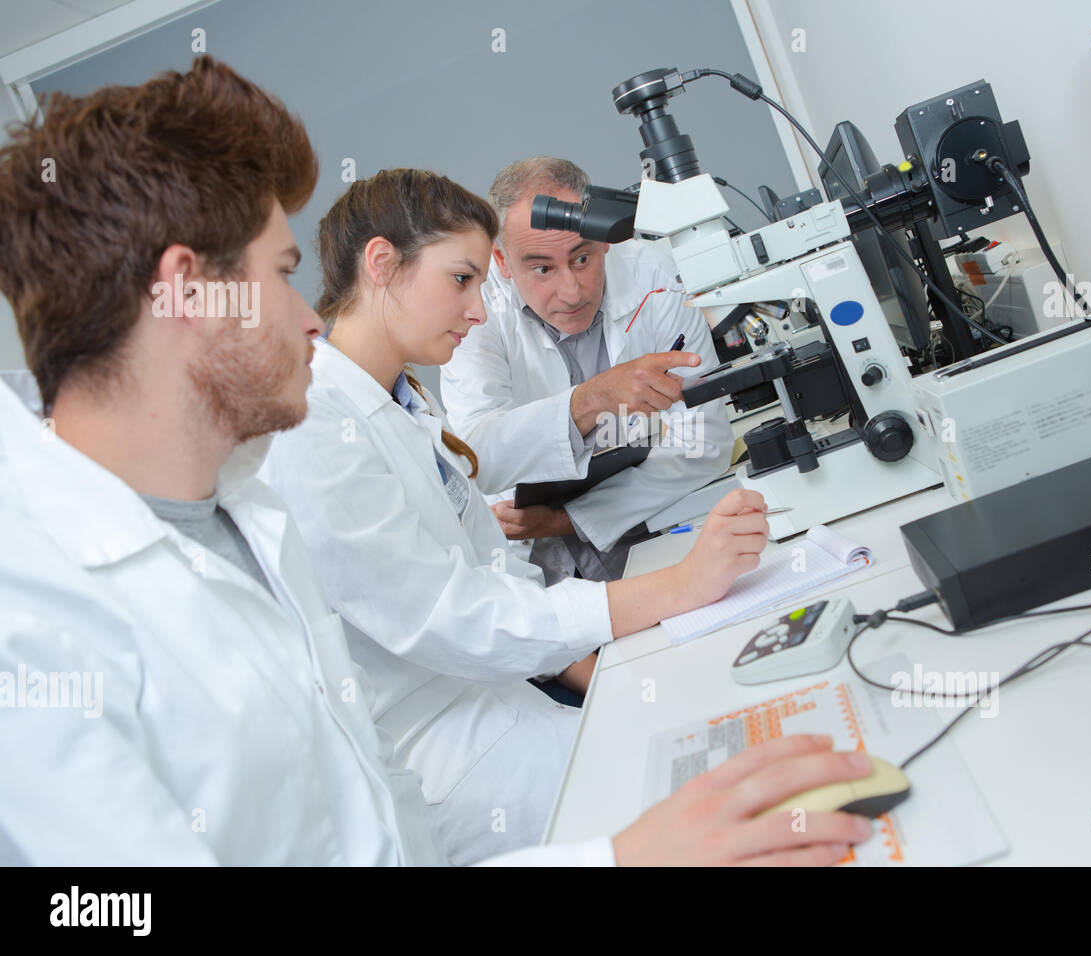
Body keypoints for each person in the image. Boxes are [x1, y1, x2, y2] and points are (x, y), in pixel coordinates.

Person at [0, 56, 873, 866]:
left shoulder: (243, 510)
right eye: (281, 271)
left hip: (484, 742)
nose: (311, 320)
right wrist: (618, 857)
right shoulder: (35, 631)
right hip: (476, 747)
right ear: (189, 290)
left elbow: (375, 793)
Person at [261, 168, 784, 863]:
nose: (480, 310)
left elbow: (495, 577)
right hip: (449, 756)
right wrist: (683, 585)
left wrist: (607, 673)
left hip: (508, 700)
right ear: (382, 264)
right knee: (724, 790)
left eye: (480, 285)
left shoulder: (402, 406)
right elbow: (457, 618)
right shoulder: (318, 426)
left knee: (721, 737)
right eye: (461, 280)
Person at [440, 156, 733, 585]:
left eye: (582, 259)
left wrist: (568, 518)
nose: (572, 291)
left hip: (654, 518)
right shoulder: (476, 313)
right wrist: (592, 399)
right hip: (532, 557)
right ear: (501, 261)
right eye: (541, 268)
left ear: (604, 239)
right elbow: (476, 456)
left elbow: (705, 440)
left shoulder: (652, 275)